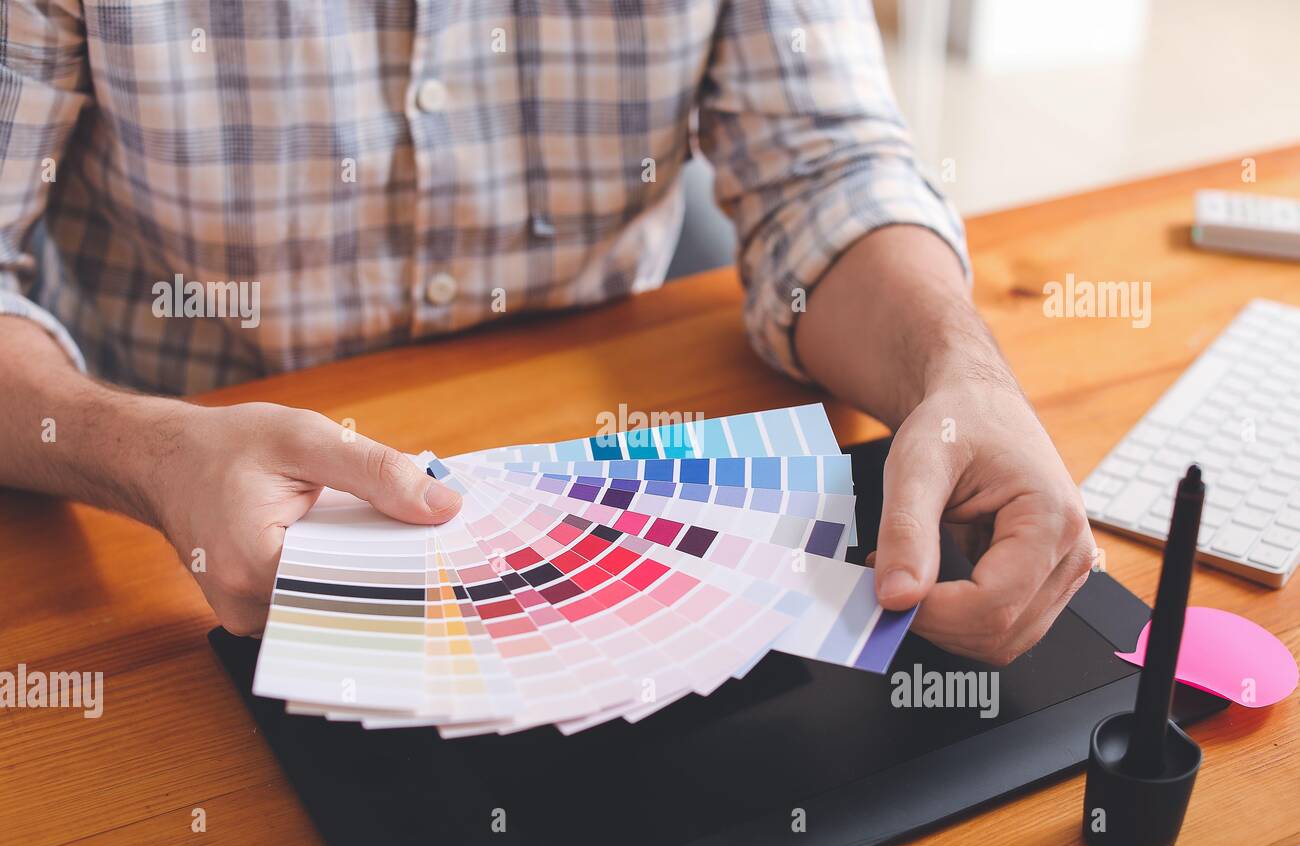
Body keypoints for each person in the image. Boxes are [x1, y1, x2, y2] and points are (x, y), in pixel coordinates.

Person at [0, 2, 1094, 663]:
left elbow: (827, 174)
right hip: (157, 517)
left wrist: (961, 371)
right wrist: (150, 458)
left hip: (621, 494)